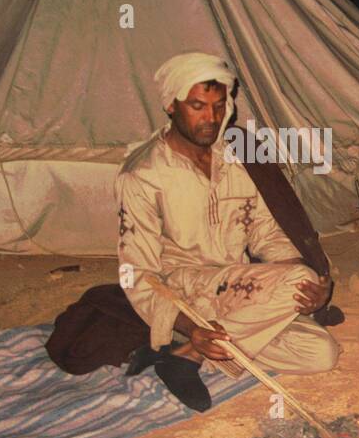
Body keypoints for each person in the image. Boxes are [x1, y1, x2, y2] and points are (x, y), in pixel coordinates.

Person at [116, 52, 341, 411]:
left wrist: (306, 281)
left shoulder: (236, 157)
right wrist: (190, 325)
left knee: (322, 353)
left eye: (219, 106)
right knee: (297, 280)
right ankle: (192, 346)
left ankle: (190, 351)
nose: (211, 118)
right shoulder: (142, 175)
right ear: (171, 106)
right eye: (197, 106)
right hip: (185, 290)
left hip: (236, 292)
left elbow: (266, 232)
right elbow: (135, 272)